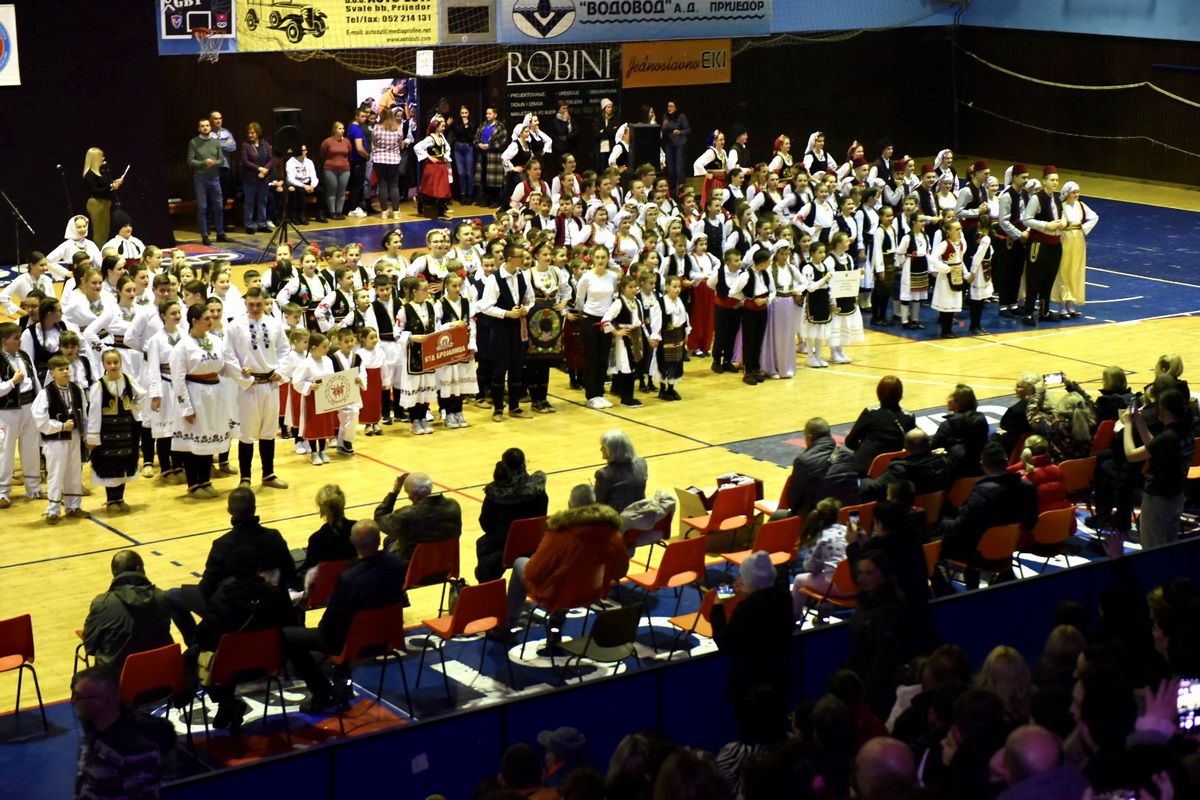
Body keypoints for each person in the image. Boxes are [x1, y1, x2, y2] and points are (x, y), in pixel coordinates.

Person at [284, 519, 407, 712]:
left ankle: (322, 692)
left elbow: (330, 625)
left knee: (286, 636)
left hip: (353, 640)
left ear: (352, 542)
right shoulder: (397, 564)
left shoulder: (350, 578)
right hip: (388, 634)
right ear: (379, 540)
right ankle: (341, 675)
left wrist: (333, 601)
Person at [506, 487, 628, 644]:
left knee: (520, 562)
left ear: (570, 505)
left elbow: (533, 574)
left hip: (558, 596)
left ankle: (509, 626)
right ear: (595, 504)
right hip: (594, 593)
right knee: (569, 577)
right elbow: (620, 571)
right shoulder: (614, 533)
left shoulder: (559, 534)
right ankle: (556, 624)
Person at [935, 442, 1039, 586]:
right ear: (1006, 462)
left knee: (939, 542)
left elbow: (960, 528)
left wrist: (940, 522)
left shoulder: (982, 492)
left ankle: (962, 590)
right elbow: (1030, 521)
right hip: (1009, 547)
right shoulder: (1028, 487)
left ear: (982, 465)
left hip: (979, 555)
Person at [71, 666, 176, 800]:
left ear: (103, 701)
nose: (73, 701)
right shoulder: (94, 729)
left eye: (79, 697)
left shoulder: (136, 752)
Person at [169, 304, 237, 498]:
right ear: (194, 321)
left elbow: (224, 366)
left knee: (210, 438)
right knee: (194, 442)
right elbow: (178, 380)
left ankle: (206, 480)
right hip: (194, 395)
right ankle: (194, 484)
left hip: (214, 395)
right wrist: (186, 408)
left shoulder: (215, 340)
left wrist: (244, 373)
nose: (211, 320)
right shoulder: (182, 347)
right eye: (206, 318)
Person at [225, 287, 289, 489]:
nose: (254, 308)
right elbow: (228, 355)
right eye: (251, 304)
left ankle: (268, 474)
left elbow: (284, 349)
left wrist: (281, 372)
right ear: (245, 303)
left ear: (265, 303)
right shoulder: (235, 326)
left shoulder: (274, 324)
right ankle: (245, 478)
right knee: (247, 433)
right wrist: (243, 377)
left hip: (270, 383)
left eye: (258, 304)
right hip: (249, 387)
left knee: (269, 430)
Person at [82, 550, 174, 675]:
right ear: (139, 568)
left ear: (114, 573)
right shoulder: (162, 597)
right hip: (161, 675)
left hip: (117, 681)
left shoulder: (102, 603)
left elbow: (90, 646)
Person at [1124, 388, 1195, 548]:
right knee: (1169, 545)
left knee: (1152, 547)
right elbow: (1154, 446)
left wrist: (1128, 425)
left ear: (1163, 409)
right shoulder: (1185, 432)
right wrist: (1139, 421)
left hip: (1158, 498)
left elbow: (1131, 455)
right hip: (1176, 495)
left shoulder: (1168, 437)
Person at [479, 243, 534, 420]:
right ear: (511, 258)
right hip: (500, 328)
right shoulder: (494, 279)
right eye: (521, 256)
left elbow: (530, 298)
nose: (524, 259)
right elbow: (485, 306)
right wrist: (507, 313)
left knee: (517, 366)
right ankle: (498, 409)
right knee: (500, 367)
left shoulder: (523, 275)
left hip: (518, 327)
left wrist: (526, 308)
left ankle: (514, 406)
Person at [476, 448, 549, 583]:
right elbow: (541, 517)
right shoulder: (538, 489)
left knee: (484, 547)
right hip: (534, 544)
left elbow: (486, 525)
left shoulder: (495, 493)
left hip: (503, 548)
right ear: (523, 465)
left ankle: (490, 590)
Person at [32, 354, 88, 522]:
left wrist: (86, 435)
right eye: (61, 369)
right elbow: (40, 420)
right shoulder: (46, 393)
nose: (65, 372)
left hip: (75, 436)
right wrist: (61, 426)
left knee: (74, 472)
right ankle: (53, 510)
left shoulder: (77, 389)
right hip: (55, 440)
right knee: (56, 474)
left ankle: (73, 506)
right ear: (52, 372)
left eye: (67, 368)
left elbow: (84, 415)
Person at [374, 472, 462, 574]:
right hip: (444, 567)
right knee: (393, 539)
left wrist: (394, 492)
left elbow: (380, 520)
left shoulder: (407, 515)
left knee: (388, 541)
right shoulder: (453, 506)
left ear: (414, 494)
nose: (408, 498)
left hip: (413, 572)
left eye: (408, 493)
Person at [844, 375, 917, 476]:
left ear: (879, 393)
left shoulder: (870, 413)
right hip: (893, 470)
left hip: (866, 470)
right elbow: (911, 448)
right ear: (900, 394)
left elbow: (850, 442)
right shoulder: (909, 417)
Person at [1021, 165, 1066, 326]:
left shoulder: (1057, 198)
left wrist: (1064, 222)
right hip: (1039, 244)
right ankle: (1028, 312)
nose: (1055, 183)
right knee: (1034, 278)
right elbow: (1027, 219)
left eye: (1057, 180)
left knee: (1049, 278)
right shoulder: (1036, 198)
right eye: (1052, 180)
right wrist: (1046, 225)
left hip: (1055, 244)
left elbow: (1062, 214)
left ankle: (1044, 310)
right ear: (1044, 181)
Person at [785, 418, 857, 517]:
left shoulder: (804, 461)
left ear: (809, 438)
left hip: (818, 519)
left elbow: (793, 501)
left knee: (777, 517)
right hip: (847, 517)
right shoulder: (849, 456)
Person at [859, 428, 949, 502]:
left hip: (903, 514)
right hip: (933, 510)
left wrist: (861, 480)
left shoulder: (899, 470)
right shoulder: (942, 460)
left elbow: (874, 488)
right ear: (929, 444)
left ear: (905, 447)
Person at [298, 484, 358, 586]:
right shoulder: (358, 529)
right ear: (343, 504)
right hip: (356, 582)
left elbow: (308, 568)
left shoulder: (317, 539)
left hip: (327, 587)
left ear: (321, 509)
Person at [932, 383, 990, 477]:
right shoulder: (981, 419)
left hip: (958, 474)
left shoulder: (948, 425)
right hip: (981, 470)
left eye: (950, 397)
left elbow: (932, 446)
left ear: (956, 403)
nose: (947, 399)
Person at [186, 117, 228, 246]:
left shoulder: (215, 142)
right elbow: (190, 161)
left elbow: (222, 159)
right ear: (199, 128)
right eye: (202, 126)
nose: (205, 128)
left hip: (215, 178)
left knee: (219, 206)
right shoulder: (194, 142)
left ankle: (220, 233)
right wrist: (204, 162)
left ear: (210, 127)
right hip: (200, 179)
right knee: (203, 207)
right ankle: (205, 235)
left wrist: (215, 163)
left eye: (207, 126)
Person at [595, 430, 648, 515]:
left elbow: (599, 504)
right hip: (640, 515)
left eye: (603, 447)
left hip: (616, 519)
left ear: (612, 450)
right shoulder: (642, 463)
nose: (600, 449)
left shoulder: (604, 474)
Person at [82, 147, 124, 245]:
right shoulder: (90, 174)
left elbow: (106, 185)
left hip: (105, 203)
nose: (103, 158)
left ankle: (103, 250)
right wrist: (111, 186)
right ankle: (99, 252)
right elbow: (96, 190)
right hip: (97, 203)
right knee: (99, 233)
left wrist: (114, 183)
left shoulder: (102, 172)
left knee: (105, 232)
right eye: (101, 156)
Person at [240, 122, 275, 234]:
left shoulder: (265, 144)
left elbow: (271, 159)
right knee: (249, 202)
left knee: (262, 201)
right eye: (249, 133)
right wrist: (259, 169)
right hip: (250, 178)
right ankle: (249, 225)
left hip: (264, 178)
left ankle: (262, 224)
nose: (250, 135)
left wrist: (265, 170)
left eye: (253, 133)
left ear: (258, 133)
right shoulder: (245, 145)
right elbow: (246, 161)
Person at [345, 108, 372, 216]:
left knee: (355, 184)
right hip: (357, 160)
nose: (364, 118)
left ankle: (353, 206)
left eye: (365, 116)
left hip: (354, 160)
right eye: (362, 116)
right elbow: (359, 148)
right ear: (356, 116)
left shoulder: (352, 127)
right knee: (357, 185)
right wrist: (367, 156)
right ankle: (354, 208)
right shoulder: (357, 130)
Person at [661, 101, 690, 199]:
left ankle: (683, 193)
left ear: (676, 107)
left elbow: (688, 130)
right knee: (670, 171)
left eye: (671, 106)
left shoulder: (681, 116)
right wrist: (664, 127)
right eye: (668, 106)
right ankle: (672, 195)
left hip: (680, 145)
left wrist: (680, 131)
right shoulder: (666, 116)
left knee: (679, 170)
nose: (669, 108)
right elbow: (663, 132)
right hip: (669, 145)